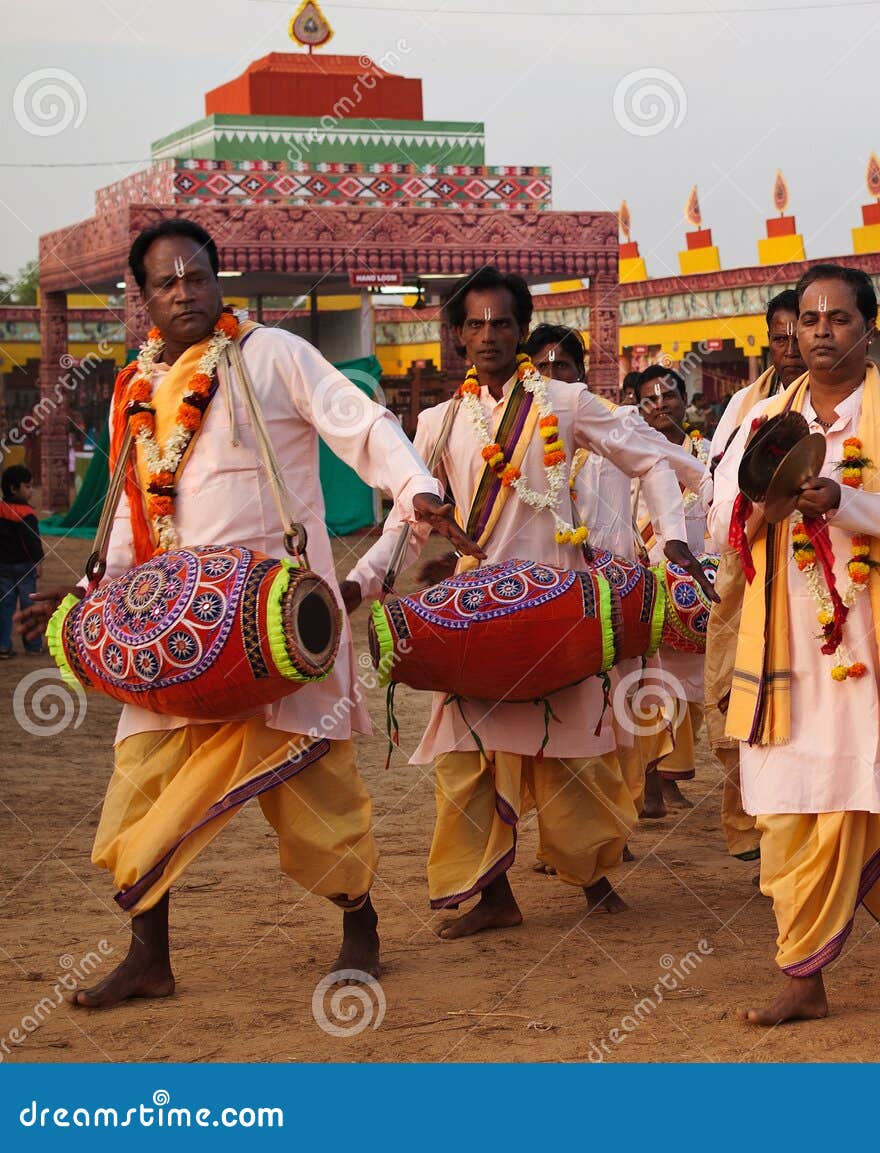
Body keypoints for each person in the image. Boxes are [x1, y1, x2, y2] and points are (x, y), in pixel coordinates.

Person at [19, 217, 470, 1007]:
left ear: (218, 281)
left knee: (316, 806)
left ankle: (359, 925)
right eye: (166, 282)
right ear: (144, 297)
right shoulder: (136, 387)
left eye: (197, 277)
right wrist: (94, 598)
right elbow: (131, 517)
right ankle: (148, 958)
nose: (184, 293)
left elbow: (358, 421)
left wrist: (413, 487)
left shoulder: (270, 353)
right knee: (140, 788)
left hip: (275, 628)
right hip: (172, 632)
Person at [342, 270, 710, 937]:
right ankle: (494, 896)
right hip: (473, 617)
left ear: (520, 329)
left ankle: (593, 881)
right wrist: (359, 583)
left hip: (559, 614)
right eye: (474, 325)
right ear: (457, 336)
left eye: (501, 324)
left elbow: (651, 461)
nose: (488, 336)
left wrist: (675, 542)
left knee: (577, 759)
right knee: (463, 763)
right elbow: (408, 521)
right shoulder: (437, 420)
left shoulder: (565, 402)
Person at [709, 264, 880, 1024]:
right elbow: (723, 515)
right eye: (809, 319)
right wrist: (773, 500)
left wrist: (847, 502)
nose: (820, 331)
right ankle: (804, 975)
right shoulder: (757, 418)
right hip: (789, 647)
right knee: (789, 803)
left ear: (869, 328)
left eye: (838, 318)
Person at [543, 327, 704, 824]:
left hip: (618, 592)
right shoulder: (514, 435)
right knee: (563, 713)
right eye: (541, 369)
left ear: (580, 375)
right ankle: (569, 830)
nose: (551, 378)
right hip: (550, 592)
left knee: (626, 706)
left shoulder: (616, 422)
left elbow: (676, 465)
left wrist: (683, 527)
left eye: (562, 368)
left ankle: (622, 818)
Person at [703, 290, 806, 861]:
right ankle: (749, 828)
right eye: (782, 336)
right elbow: (714, 490)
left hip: (817, 576)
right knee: (735, 695)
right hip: (745, 570)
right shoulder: (746, 406)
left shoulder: (874, 409)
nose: (793, 347)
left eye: (804, 332)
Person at [634, 364, 710, 816]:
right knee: (650, 687)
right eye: (650, 397)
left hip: (698, 594)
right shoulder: (626, 456)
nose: (660, 403)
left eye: (668, 395)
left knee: (691, 691)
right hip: (649, 586)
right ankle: (647, 782)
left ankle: (671, 776)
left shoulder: (707, 453)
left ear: (685, 401)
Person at [1, 464, 45, 657]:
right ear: (13, 488)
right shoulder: (27, 514)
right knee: (29, 606)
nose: (31, 490)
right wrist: (38, 561)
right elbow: (31, 542)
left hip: (3, 566)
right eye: (27, 486)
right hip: (25, 567)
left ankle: (3, 646)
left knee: (5, 605)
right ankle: (33, 646)